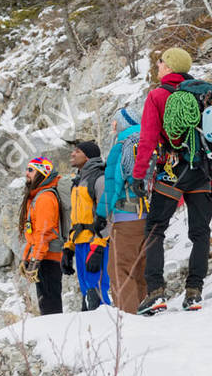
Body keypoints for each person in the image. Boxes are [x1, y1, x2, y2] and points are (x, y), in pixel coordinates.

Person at [132, 47, 212, 315]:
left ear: (169, 66)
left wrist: (139, 174)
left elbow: (147, 139)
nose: (158, 65)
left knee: (154, 229)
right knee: (200, 232)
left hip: (171, 171)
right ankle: (194, 292)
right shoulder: (204, 94)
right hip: (201, 172)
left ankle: (155, 293)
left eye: (161, 62)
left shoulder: (158, 95)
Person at [95, 106, 148, 314]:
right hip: (150, 216)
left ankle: (128, 316)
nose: (113, 126)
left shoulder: (121, 146)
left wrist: (101, 215)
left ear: (122, 123)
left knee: (120, 268)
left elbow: (112, 184)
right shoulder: (150, 142)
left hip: (127, 217)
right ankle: (146, 310)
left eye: (115, 122)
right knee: (141, 268)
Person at [62, 141, 111, 311]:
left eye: (77, 151)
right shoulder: (78, 181)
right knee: (87, 293)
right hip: (80, 243)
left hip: (95, 243)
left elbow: (107, 215)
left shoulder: (99, 179)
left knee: (98, 292)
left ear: (88, 156)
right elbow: (74, 218)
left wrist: (99, 245)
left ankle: (108, 324)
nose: (72, 154)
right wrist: (69, 247)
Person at [18, 158, 64, 316]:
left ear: (42, 173)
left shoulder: (45, 198)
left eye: (31, 170)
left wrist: (35, 260)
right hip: (43, 256)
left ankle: (54, 331)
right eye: (27, 169)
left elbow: (44, 233)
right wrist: (26, 258)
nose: (27, 173)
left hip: (48, 257)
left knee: (50, 306)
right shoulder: (37, 196)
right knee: (46, 303)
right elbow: (33, 236)